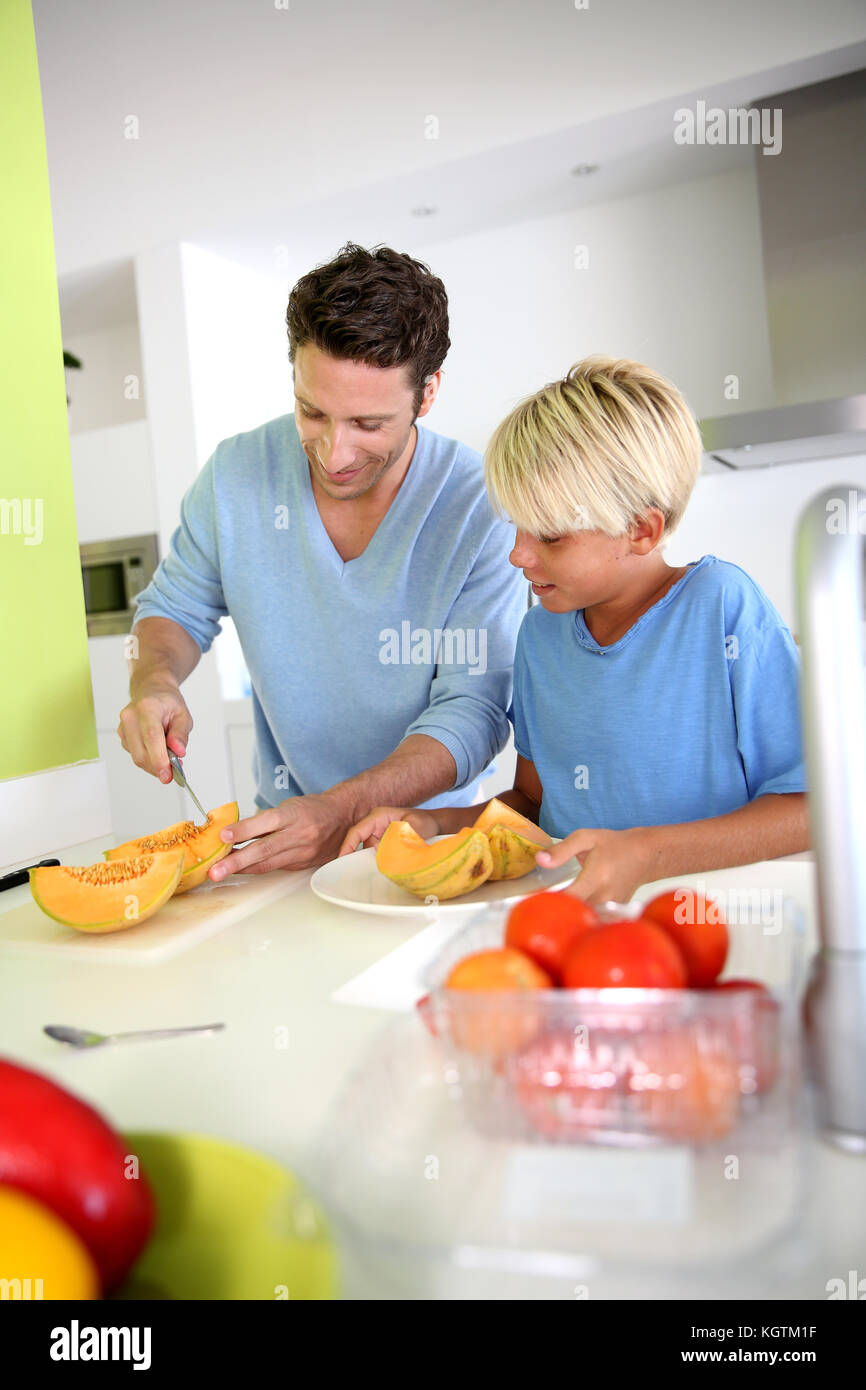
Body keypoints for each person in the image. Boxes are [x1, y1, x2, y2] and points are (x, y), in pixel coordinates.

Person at [341, 355, 810, 904]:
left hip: (711, 925)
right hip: (579, 921)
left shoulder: (723, 607)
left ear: (640, 529)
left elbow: (809, 809)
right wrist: (436, 823)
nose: (518, 554)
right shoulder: (540, 635)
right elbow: (535, 807)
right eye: (517, 525)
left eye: (551, 537)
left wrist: (645, 853)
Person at [119, 244, 526, 874]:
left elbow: (473, 708)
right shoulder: (235, 475)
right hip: (278, 844)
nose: (334, 453)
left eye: (369, 423)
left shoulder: (481, 505)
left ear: (428, 393)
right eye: (313, 413)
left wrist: (341, 807)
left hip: (420, 849)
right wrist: (154, 681)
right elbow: (175, 608)